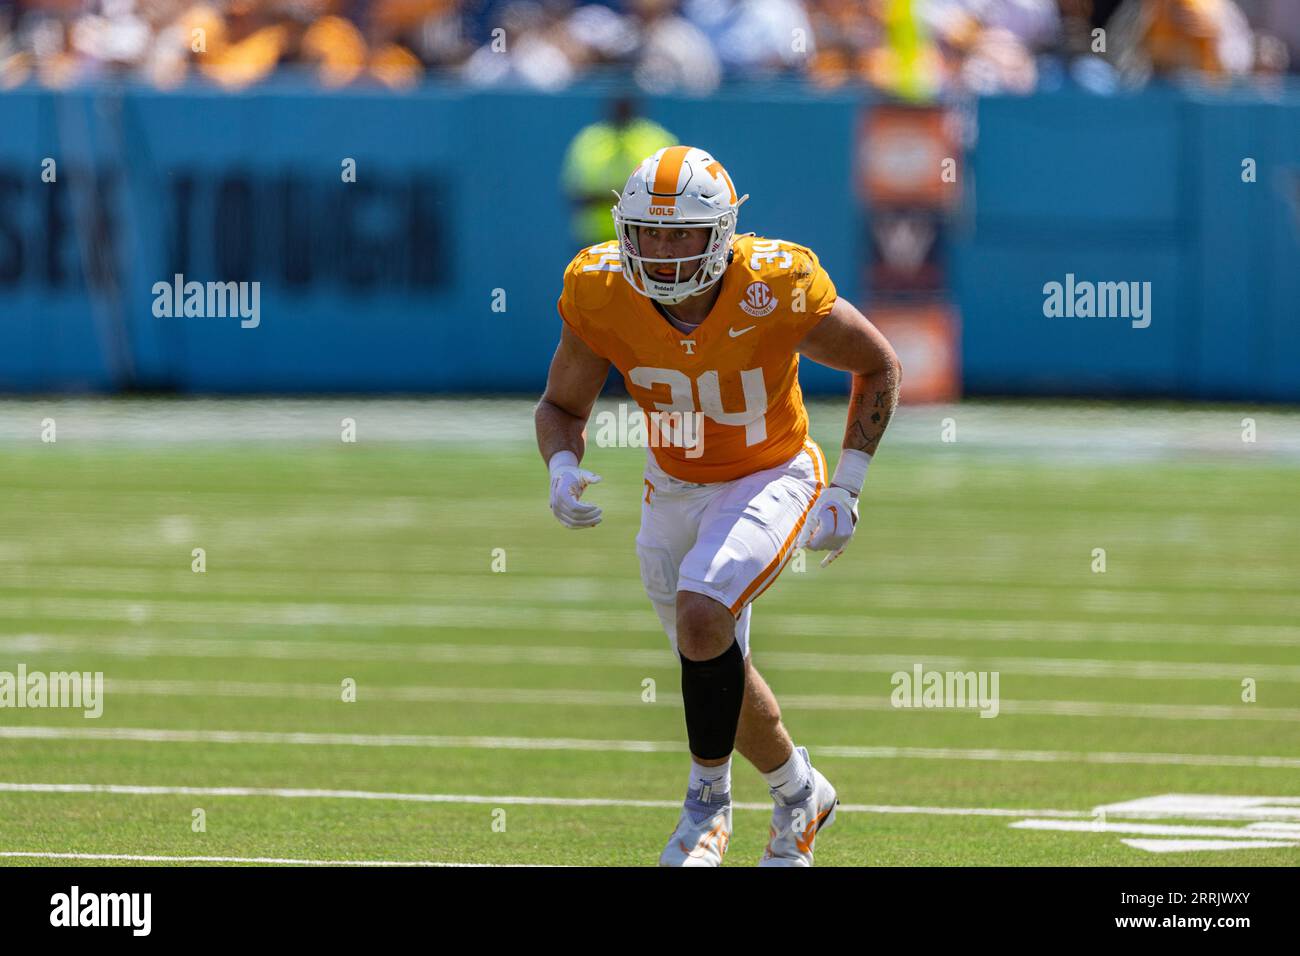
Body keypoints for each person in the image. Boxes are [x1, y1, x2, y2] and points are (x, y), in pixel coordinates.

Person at [535, 145, 901, 866]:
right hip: (669, 486)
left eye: (681, 234)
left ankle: (706, 804)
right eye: (650, 232)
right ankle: (801, 793)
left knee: (702, 616)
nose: (664, 252)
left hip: (770, 473)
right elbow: (560, 404)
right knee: (711, 654)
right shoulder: (599, 287)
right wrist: (561, 466)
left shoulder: (777, 282)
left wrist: (848, 485)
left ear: (723, 234)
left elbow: (876, 363)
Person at [560, 97, 675, 246]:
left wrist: (607, 197)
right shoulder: (589, 140)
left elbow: (672, 190)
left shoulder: (657, 139)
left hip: (643, 237)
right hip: (595, 237)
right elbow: (574, 194)